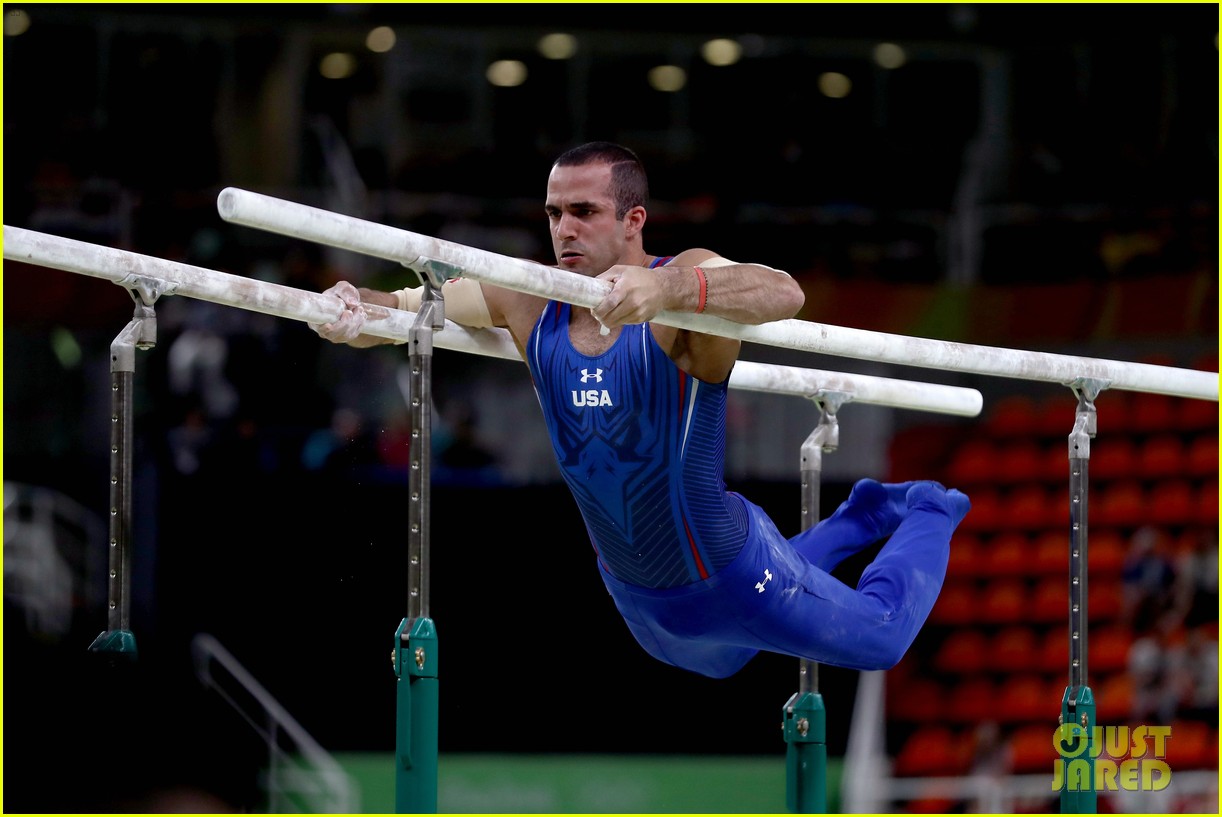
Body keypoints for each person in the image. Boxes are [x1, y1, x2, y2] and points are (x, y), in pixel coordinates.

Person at [310, 141, 970, 679]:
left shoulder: (680, 286)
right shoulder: (526, 299)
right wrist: (348, 309)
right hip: (639, 603)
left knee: (882, 640)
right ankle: (855, 517)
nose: (564, 227)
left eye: (584, 210)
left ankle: (930, 509)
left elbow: (784, 291)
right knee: (731, 659)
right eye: (553, 212)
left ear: (633, 220)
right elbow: (401, 312)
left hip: (734, 572)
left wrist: (668, 287)